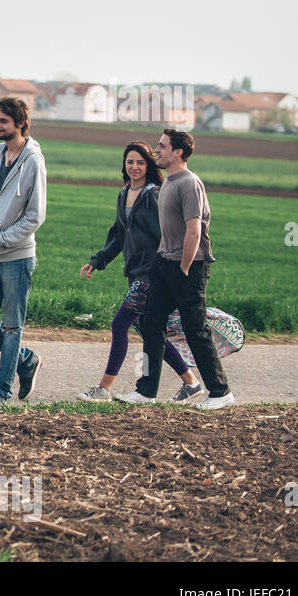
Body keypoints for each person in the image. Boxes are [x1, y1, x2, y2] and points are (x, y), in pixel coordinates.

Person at [119, 130, 234, 409]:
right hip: (164, 263)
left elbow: (194, 231)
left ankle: (220, 393)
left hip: (189, 266)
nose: (157, 150)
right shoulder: (169, 181)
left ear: (178, 152)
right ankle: (147, 391)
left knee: (195, 330)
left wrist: (182, 269)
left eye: (162, 146)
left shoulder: (189, 183)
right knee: (151, 324)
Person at [76, 142, 199, 402]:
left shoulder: (155, 195)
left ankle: (104, 388)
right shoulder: (124, 194)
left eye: (140, 162)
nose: (134, 167)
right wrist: (98, 260)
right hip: (135, 272)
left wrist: (170, 271)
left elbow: (168, 234)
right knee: (148, 329)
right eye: (129, 162)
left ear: (150, 166)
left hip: (152, 273)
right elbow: (119, 235)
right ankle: (191, 382)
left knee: (119, 324)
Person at [0, 96, 46, 404]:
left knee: (13, 325)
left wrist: (3, 238)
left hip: (16, 254)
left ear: (20, 124)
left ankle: (0, 391)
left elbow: (35, 215)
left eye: (3, 121)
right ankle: (26, 361)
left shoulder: (33, 161)